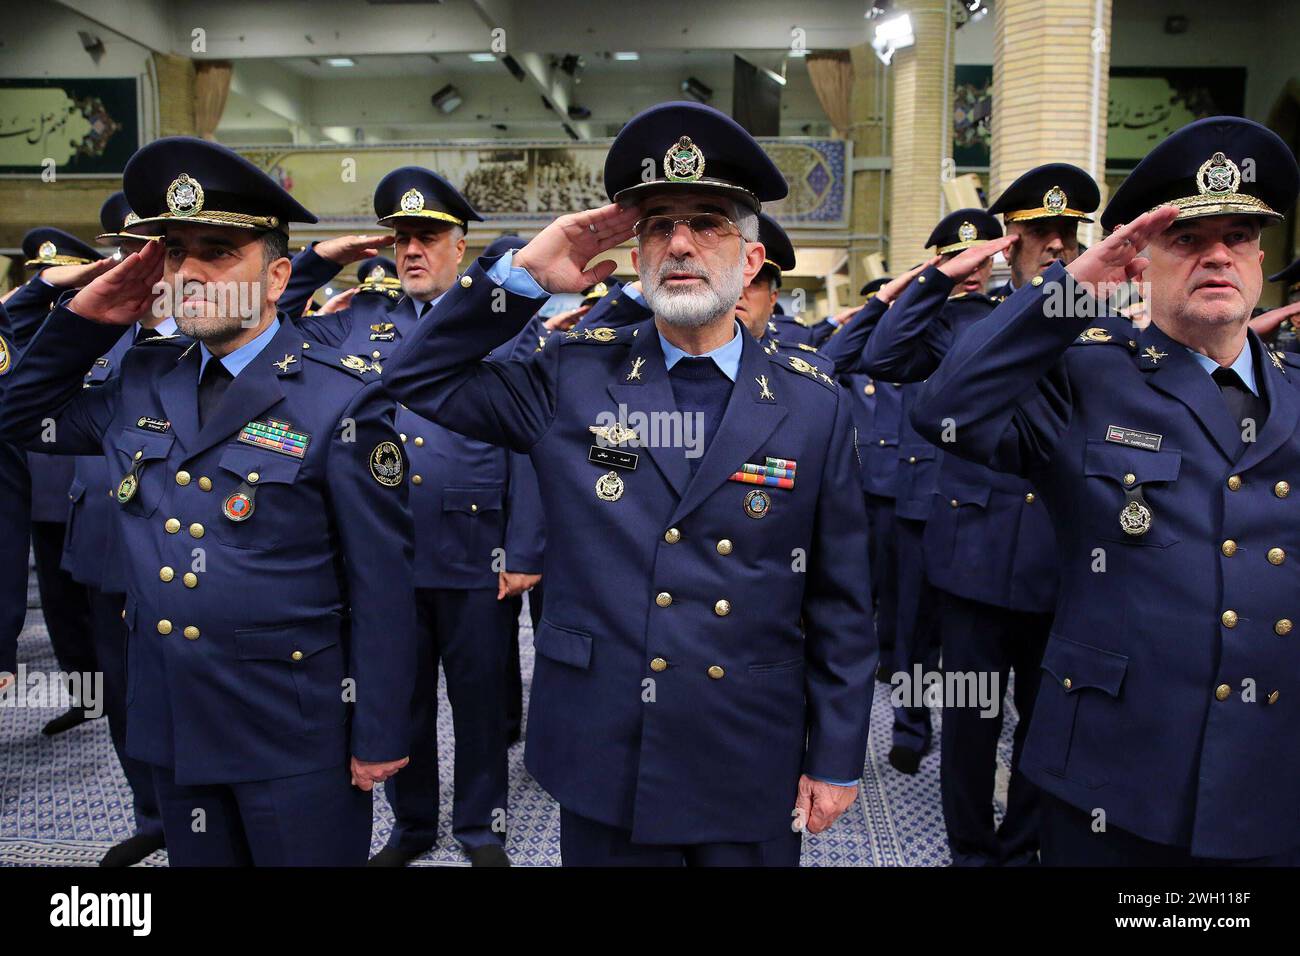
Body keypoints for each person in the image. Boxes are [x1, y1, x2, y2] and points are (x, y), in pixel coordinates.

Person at [383, 100, 876, 867]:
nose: (679, 243)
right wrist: (520, 279)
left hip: (746, 742)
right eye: (657, 225)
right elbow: (415, 376)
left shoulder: (813, 404)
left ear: (749, 261)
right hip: (608, 743)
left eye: (708, 222)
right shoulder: (572, 375)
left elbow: (843, 599)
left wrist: (838, 751)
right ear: (638, 255)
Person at [0, 136, 417, 866]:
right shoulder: (142, 378)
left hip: (291, 725)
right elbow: (13, 414)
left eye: (217, 251)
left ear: (277, 274)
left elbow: (382, 582)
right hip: (173, 715)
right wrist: (81, 318)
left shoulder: (339, 394)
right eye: (174, 252)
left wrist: (380, 731)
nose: (189, 271)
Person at [913, 116, 1300, 864]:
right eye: (1187, 239)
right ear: (1141, 260)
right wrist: (1068, 293)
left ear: (1260, 256)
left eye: (1238, 236)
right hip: (1114, 776)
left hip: (1270, 775)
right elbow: (944, 411)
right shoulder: (1085, 376)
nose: (1217, 254)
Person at [296, 167, 544, 867]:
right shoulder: (353, 323)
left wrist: (523, 545)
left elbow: (529, 439)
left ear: (459, 247)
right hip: (383, 559)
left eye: (428, 237)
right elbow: (269, 323)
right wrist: (318, 262)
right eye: (402, 238)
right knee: (398, 696)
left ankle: (481, 825)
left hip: (476, 552)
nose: (412, 250)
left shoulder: (499, 325)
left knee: (478, 700)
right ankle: (410, 826)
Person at [862, 208, 1058, 864]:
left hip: (1061, 560)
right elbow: (885, 355)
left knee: (1045, 724)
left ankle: (1024, 845)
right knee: (971, 725)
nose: (1056, 245)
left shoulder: (1097, 322)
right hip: (975, 555)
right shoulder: (972, 318)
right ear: (1013, 243)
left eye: (1069, 234)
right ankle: (972, 853)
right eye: (1039, 234)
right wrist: (939, 280)